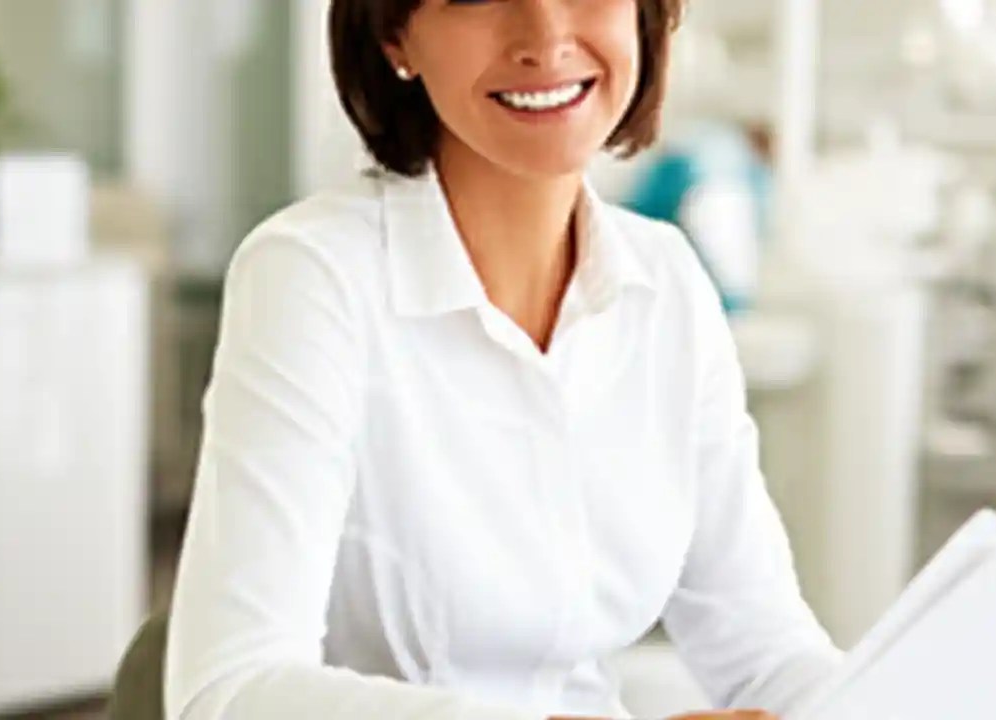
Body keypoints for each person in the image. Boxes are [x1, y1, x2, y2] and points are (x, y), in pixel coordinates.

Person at [163, 0, 842, 718]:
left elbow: (768, 653)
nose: (545, 36)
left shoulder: (666, 282)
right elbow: (227, 692)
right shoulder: (314, 275)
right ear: (396, 36)